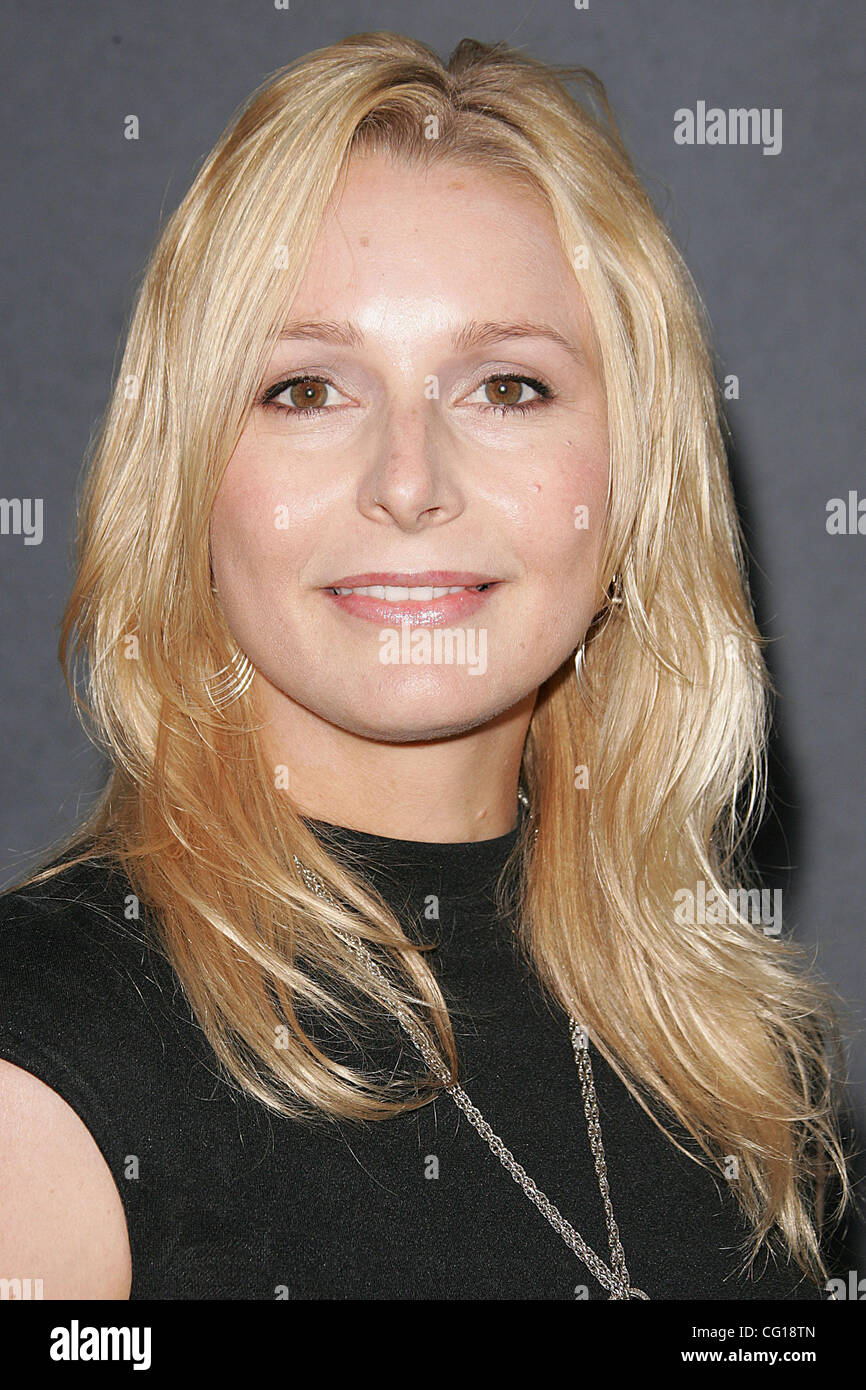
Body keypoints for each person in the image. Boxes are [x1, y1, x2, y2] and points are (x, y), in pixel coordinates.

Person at [0, 31, 850, 1300]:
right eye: (303, 389)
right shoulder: (44, 1066)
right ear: (185, 484)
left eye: (506, 386)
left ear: (632, 479)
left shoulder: (729, 1052)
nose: (407, 482)